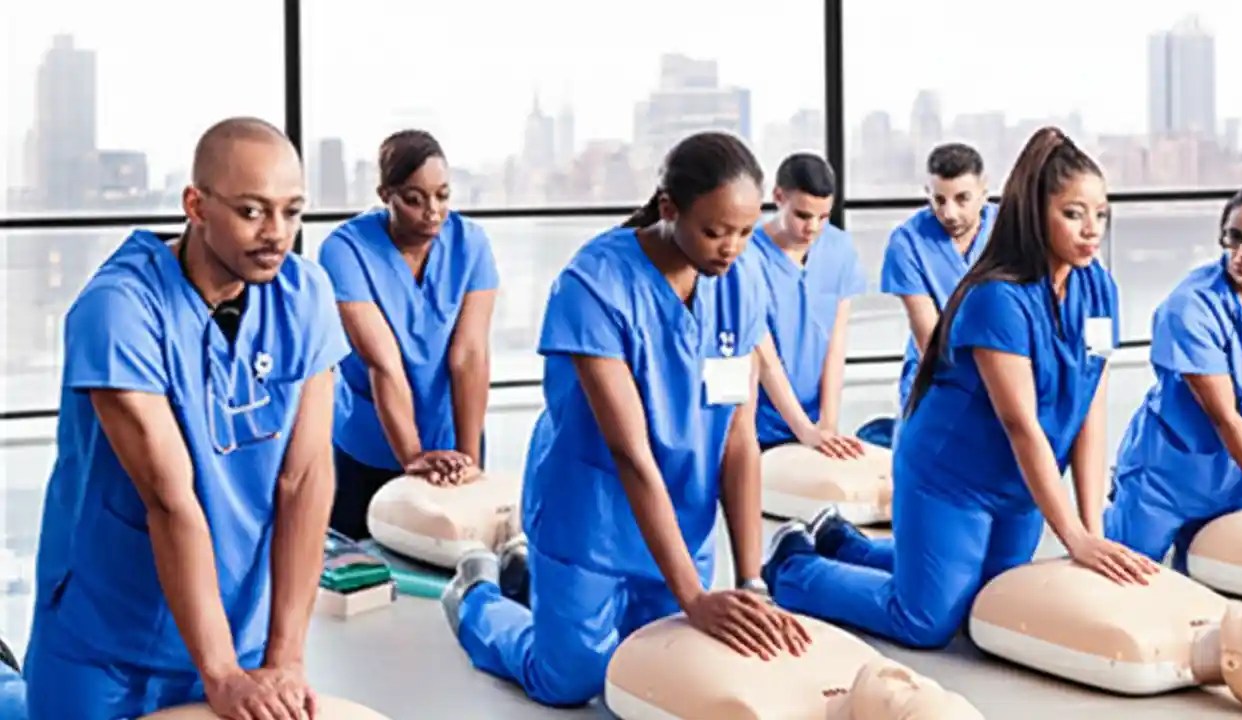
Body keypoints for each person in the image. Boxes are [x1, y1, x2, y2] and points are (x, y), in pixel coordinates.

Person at [440, 131, 811, 707]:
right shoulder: (594, 286)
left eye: (744, 231)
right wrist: (693, 597)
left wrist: (751, 580)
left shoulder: (742, 280)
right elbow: (631, 453)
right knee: (572, 680)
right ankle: (478, 596)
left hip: (681, 520)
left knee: (655, 671)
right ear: (669, 209)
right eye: (715, 231)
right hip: (590, 517)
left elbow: (739, 439)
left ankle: (530, 578)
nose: (731, 249)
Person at [761, 126, 1158, 650]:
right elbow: (1020, 425)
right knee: (926, 620)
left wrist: (1092, 531)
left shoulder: (1099, 289)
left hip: (1017, 484)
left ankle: (844, 543)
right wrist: (1074, 539)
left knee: (988, 603)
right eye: (1073, 213)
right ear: (1034, 213)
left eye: (1100, 214)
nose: (1091, 230)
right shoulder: (999, 299)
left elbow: (1090, 408)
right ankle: (794, 564)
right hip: (950, 476)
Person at [23, 117, 350, 719]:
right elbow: (171, 500)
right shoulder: (118, 310)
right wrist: (220, 675)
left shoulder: (306, 296)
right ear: (196, 206)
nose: (277, 234)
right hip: (105, 643)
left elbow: (305, 479)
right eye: (252, 211)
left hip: (238, 628)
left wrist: (284, 657)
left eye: (292, 212)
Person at [318, 129, 498, 540]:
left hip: (454, 438)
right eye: (414, 199)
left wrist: (469, 462)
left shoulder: (470, 244)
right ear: (386, 195)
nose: (433, 211)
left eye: (442, 195)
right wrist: (412, 456)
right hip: (369, 446)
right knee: (362, 565)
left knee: (457, 560)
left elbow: (469, 356)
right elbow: (383, 363)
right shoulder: (344, 250)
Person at [1105, 182, 1242, 572]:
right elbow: (1226, 418)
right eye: (1234, 237)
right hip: (1166, 479)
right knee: (1126, 576)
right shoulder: (1191, 307)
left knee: (1214, 587)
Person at [747, 152, 867, 459]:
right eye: (802, 215)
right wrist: (804, 430)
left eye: (823, 217)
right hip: (760, 425)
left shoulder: (839, 248)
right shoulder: (748, 256)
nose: (813, 227)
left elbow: (836, 343)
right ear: (778, 197)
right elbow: (766, 360)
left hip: (816, 420)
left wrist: (828, 423)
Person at [882, 143, 997, 413]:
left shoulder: (1009, 230)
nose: (949, 213)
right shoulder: (907, 243)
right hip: (937, 379)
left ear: (984, 192)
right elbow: (931, 344)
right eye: (939, 200)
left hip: (1005, 371)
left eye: (962, 199)